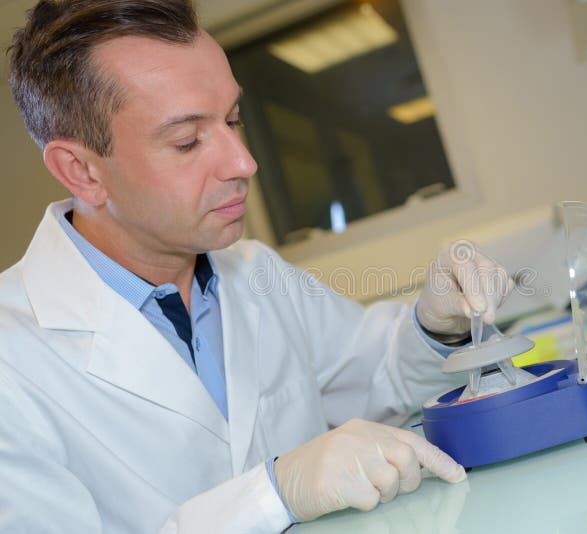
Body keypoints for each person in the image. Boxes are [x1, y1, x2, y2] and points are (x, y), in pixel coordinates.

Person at [0, 1, 513, 532]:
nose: (244, 162)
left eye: (233, 120)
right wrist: (273, 495)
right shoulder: (10, 363)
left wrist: (436, 326)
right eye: (187, 141)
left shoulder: (253, 271)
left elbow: (376, 378)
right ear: (81, 171)